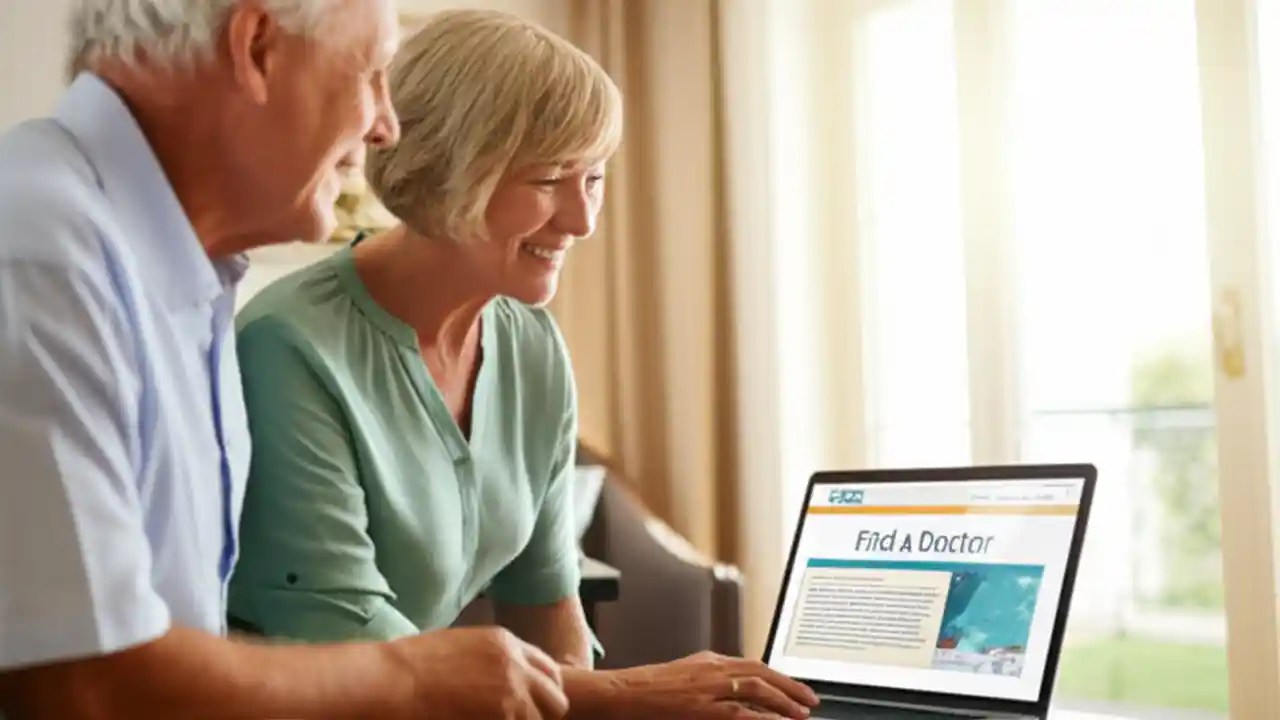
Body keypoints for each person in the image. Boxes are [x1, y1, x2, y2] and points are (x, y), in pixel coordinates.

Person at [228, 9, 819, 720]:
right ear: (445, 171)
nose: (582, 220)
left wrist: (610, 702)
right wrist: (634, 695)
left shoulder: (531, 345)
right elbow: (346, 645)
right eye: (549, 180)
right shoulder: (285, 348)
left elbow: (547, 604)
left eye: (593, 178)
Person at [0, 2, 571, 718]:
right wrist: (413, 679)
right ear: (257, 46)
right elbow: (78, 680)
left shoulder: (176, 276)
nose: (385, 126)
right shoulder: (40, 258)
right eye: (370, 74)